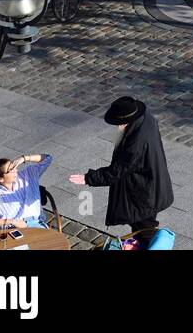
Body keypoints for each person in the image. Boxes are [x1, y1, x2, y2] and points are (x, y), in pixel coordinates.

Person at [69, 97, 174, 242]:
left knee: (144, 230)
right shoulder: (147, 118)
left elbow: (116, 171)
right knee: (145, 226)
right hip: (154, 181)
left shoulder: (134, 144)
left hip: (144, 194)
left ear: (125, 123)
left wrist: (88, 178)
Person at [0, 154, 54, 232]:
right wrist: (12, 221)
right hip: (14, 229)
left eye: (14, 167)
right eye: (11, 170)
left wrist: (24, 159)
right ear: (0, 179)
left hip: (37, 224)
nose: (16, 170)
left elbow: (48, 158)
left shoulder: (28, 175)